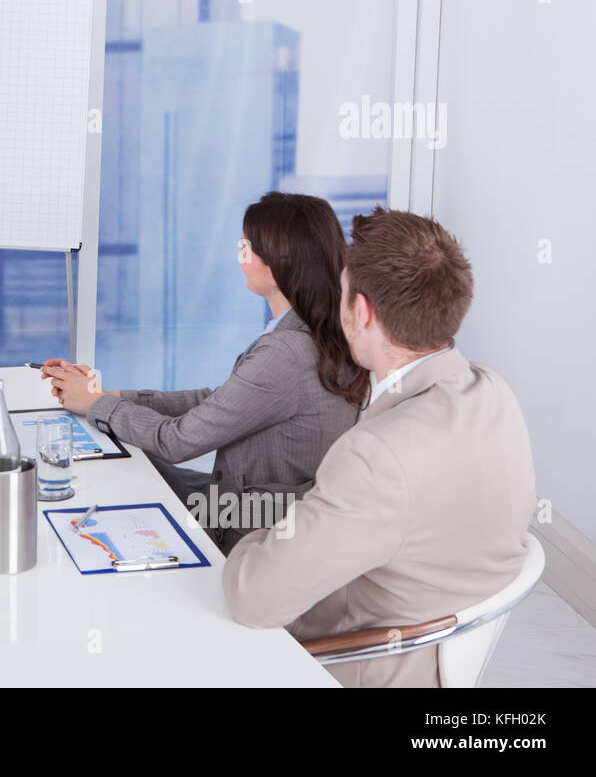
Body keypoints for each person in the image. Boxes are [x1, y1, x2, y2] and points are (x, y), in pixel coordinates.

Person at [222, 208, 536, 687]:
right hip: (438, 639)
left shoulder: (375, 456)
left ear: (362, 311)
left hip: (357, 665)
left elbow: (251, 597)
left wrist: (259, 532)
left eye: (343, 293)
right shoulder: (494, 391)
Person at [45, 192, 365, 552]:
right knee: (135, 465)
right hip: (259, 507)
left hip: (248, 529)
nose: (239, 256)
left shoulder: (286, 353)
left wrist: (97, 405)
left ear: (278, 264)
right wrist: (109, 396)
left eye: (245, 248)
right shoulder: (321, 331)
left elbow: (176, 441)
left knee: (117, 484)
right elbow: (221, 400)